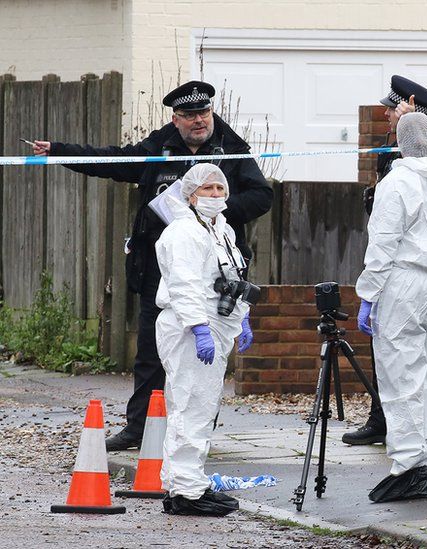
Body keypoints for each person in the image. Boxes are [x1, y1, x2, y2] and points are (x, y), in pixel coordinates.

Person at [32, 81, 273, 451]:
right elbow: (111, 161)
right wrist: (58, 151)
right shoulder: (159, 148)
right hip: (159, 267)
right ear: (176, 119)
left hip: (212, 271)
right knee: (151, 350)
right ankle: (139, 428)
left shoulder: (232, 150)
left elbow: (262, 195)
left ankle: (195, 431)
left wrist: (213, 209)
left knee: (204, 358)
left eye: (204, 113)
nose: (199, 121)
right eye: (190, 115)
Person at [345, 75, 427, 447]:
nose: (385, 115)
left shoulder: (397, 183)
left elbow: (383, 244)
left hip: (408, 280)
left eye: (393, 110)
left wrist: (369, 294)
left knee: (401, 374)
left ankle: (410, 460)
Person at [154, 163, 252, 516]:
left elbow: (230, 277)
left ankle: (184, 482)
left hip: (214, 325)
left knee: (200, 406)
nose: (214, 195)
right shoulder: (183, 232)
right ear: (190, 195)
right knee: (190, 405)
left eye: (219, 189)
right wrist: (198, 328)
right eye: (207, 189)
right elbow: (184, 285)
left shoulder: (220, 230)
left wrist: (243, 318)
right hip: (189, 327)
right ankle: (187, 491)